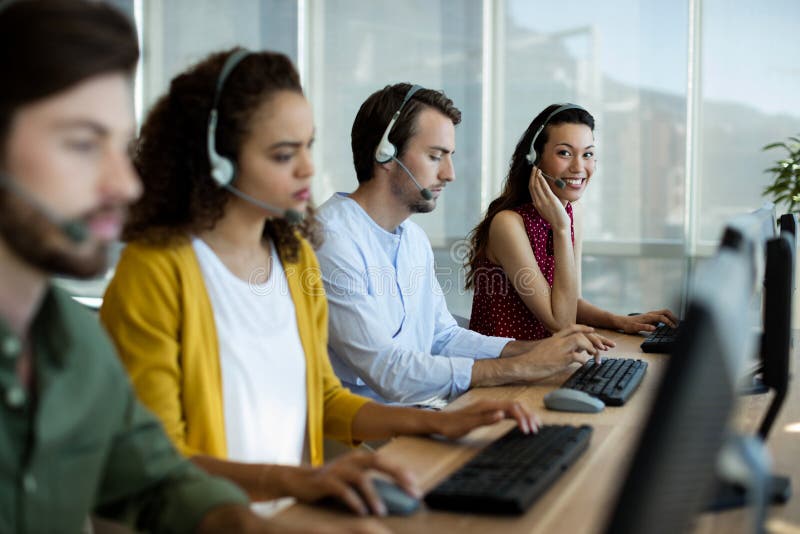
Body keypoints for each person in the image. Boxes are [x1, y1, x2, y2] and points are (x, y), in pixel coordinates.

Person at [99, 48, 540, 518]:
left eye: (308, 146)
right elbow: (154, 466)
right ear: (214, 159)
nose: (309, 168)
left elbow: (325, 398)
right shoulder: (154, 274)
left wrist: (442, 421)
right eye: (284, 154)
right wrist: (297, 481)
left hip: (292, 512)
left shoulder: (293, 257)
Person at [0, 1, 340, 532]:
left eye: (119, 144)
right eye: (84, 143)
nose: (125, 184)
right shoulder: (155, 273)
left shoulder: (68, 340)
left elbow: (156, 478)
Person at [314, 84, 613, 407]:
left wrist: (541, 351)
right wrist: (518, 366)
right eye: (435, 156)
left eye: (449, 157)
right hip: (369, 432)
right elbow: (387, 372)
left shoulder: (412, 238)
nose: (450, 174)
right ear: (385, 153)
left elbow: (443, 337)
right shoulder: (330, 239)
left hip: (428, 407)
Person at [465, 103, 678, 340]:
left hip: (547, 360)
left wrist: (621, 321)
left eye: (587, 154)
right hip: (506, 368)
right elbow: (561, 323)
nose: (579, 167)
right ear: (535, 158)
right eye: (564, 153)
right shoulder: (509, 224)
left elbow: (570, 302)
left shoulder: (573, 211)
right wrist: (562, 228)